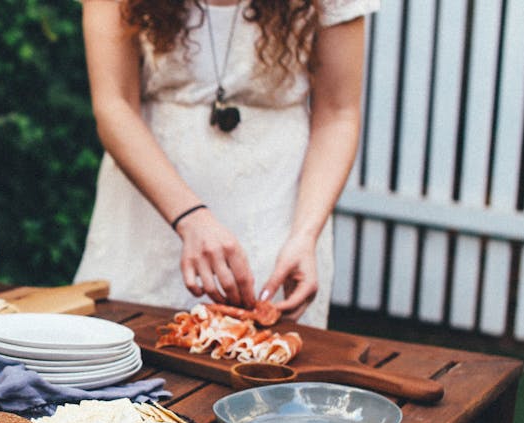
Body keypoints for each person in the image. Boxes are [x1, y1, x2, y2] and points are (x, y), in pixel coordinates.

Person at [72, 0, 375, 326]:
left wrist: (305, 234)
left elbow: (338, 114)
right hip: (147, 218)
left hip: (277, 219)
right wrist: (189, 217)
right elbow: (114, 105)